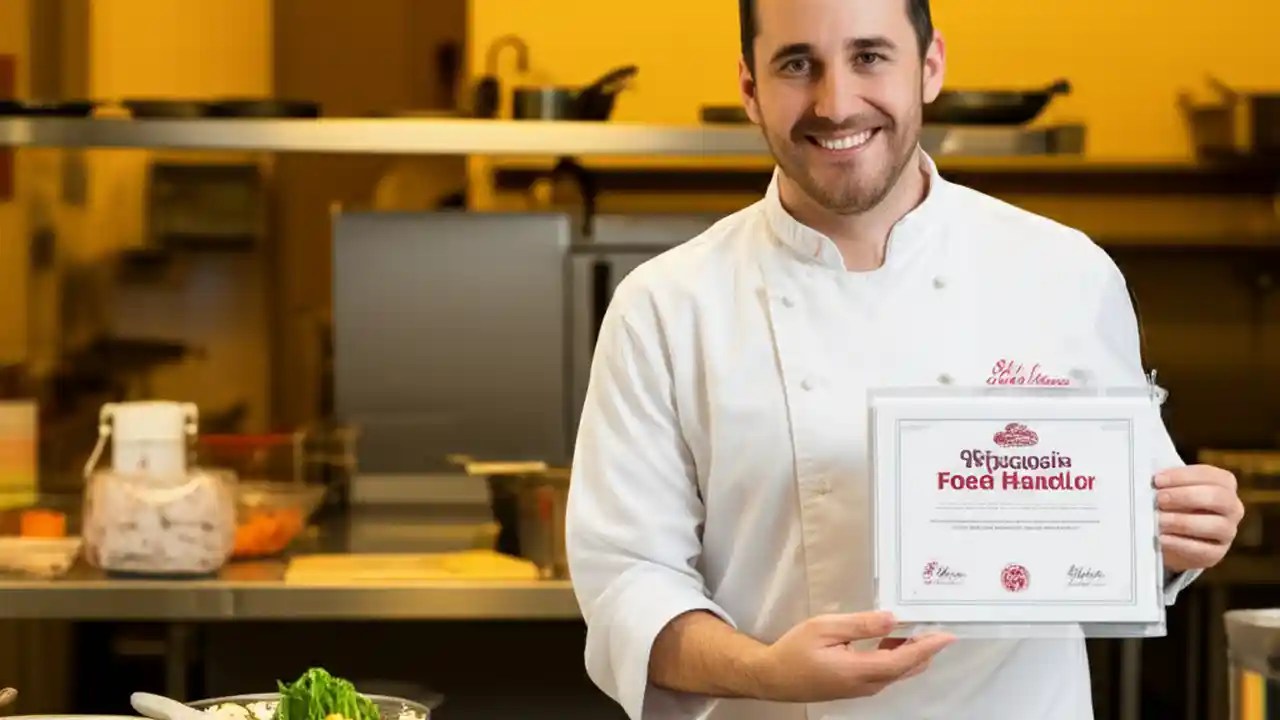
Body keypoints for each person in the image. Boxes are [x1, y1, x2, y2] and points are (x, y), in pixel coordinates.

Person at [564, 0, 1246, 717]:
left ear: (929, 66)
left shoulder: (1064, 272)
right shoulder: (667, 305)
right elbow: (628, 585)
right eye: (797, 64)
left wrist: (1180, 532)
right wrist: (765, 671)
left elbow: (1125, 534)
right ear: (749, 87)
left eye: (869, 57)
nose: (835, 103)